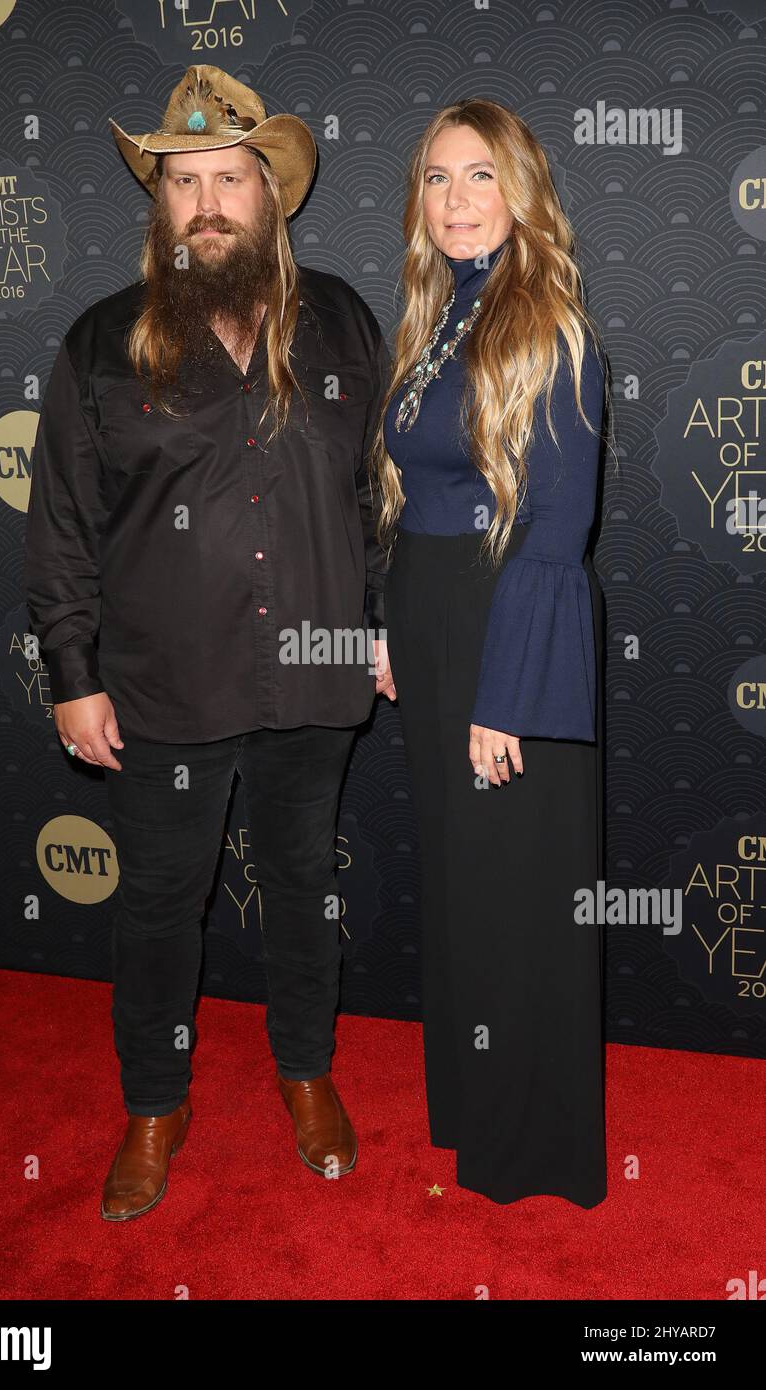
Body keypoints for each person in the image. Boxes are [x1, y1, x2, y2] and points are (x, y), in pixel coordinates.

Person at [24, 64, 392, 1221]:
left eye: (228, 178)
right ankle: (153, 1104)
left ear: (269, 192)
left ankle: (305, 1073)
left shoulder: (342, 321)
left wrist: (382, 625)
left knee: (301, 883)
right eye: (182, 182)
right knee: (156, 904)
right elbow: (61, 525)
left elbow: (378, 498)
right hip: (164, 686)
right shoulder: (101, 342)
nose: (206, 203)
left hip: (316, 670)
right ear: (159, 202)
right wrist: (72, 675)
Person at [371, 99, 611, 1208]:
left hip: (510, 627)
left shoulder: (547, 324)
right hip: (433, 620)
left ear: (520, 191)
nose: (455, 199)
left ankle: (529, 1150)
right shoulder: (437, 314)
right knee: (463, 881)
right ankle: (473, 1108)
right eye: (436, 177)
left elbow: (556, 525)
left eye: (479, 175)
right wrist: (391, 628)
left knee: (515, 888)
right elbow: (414, 499)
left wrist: (506, 694)